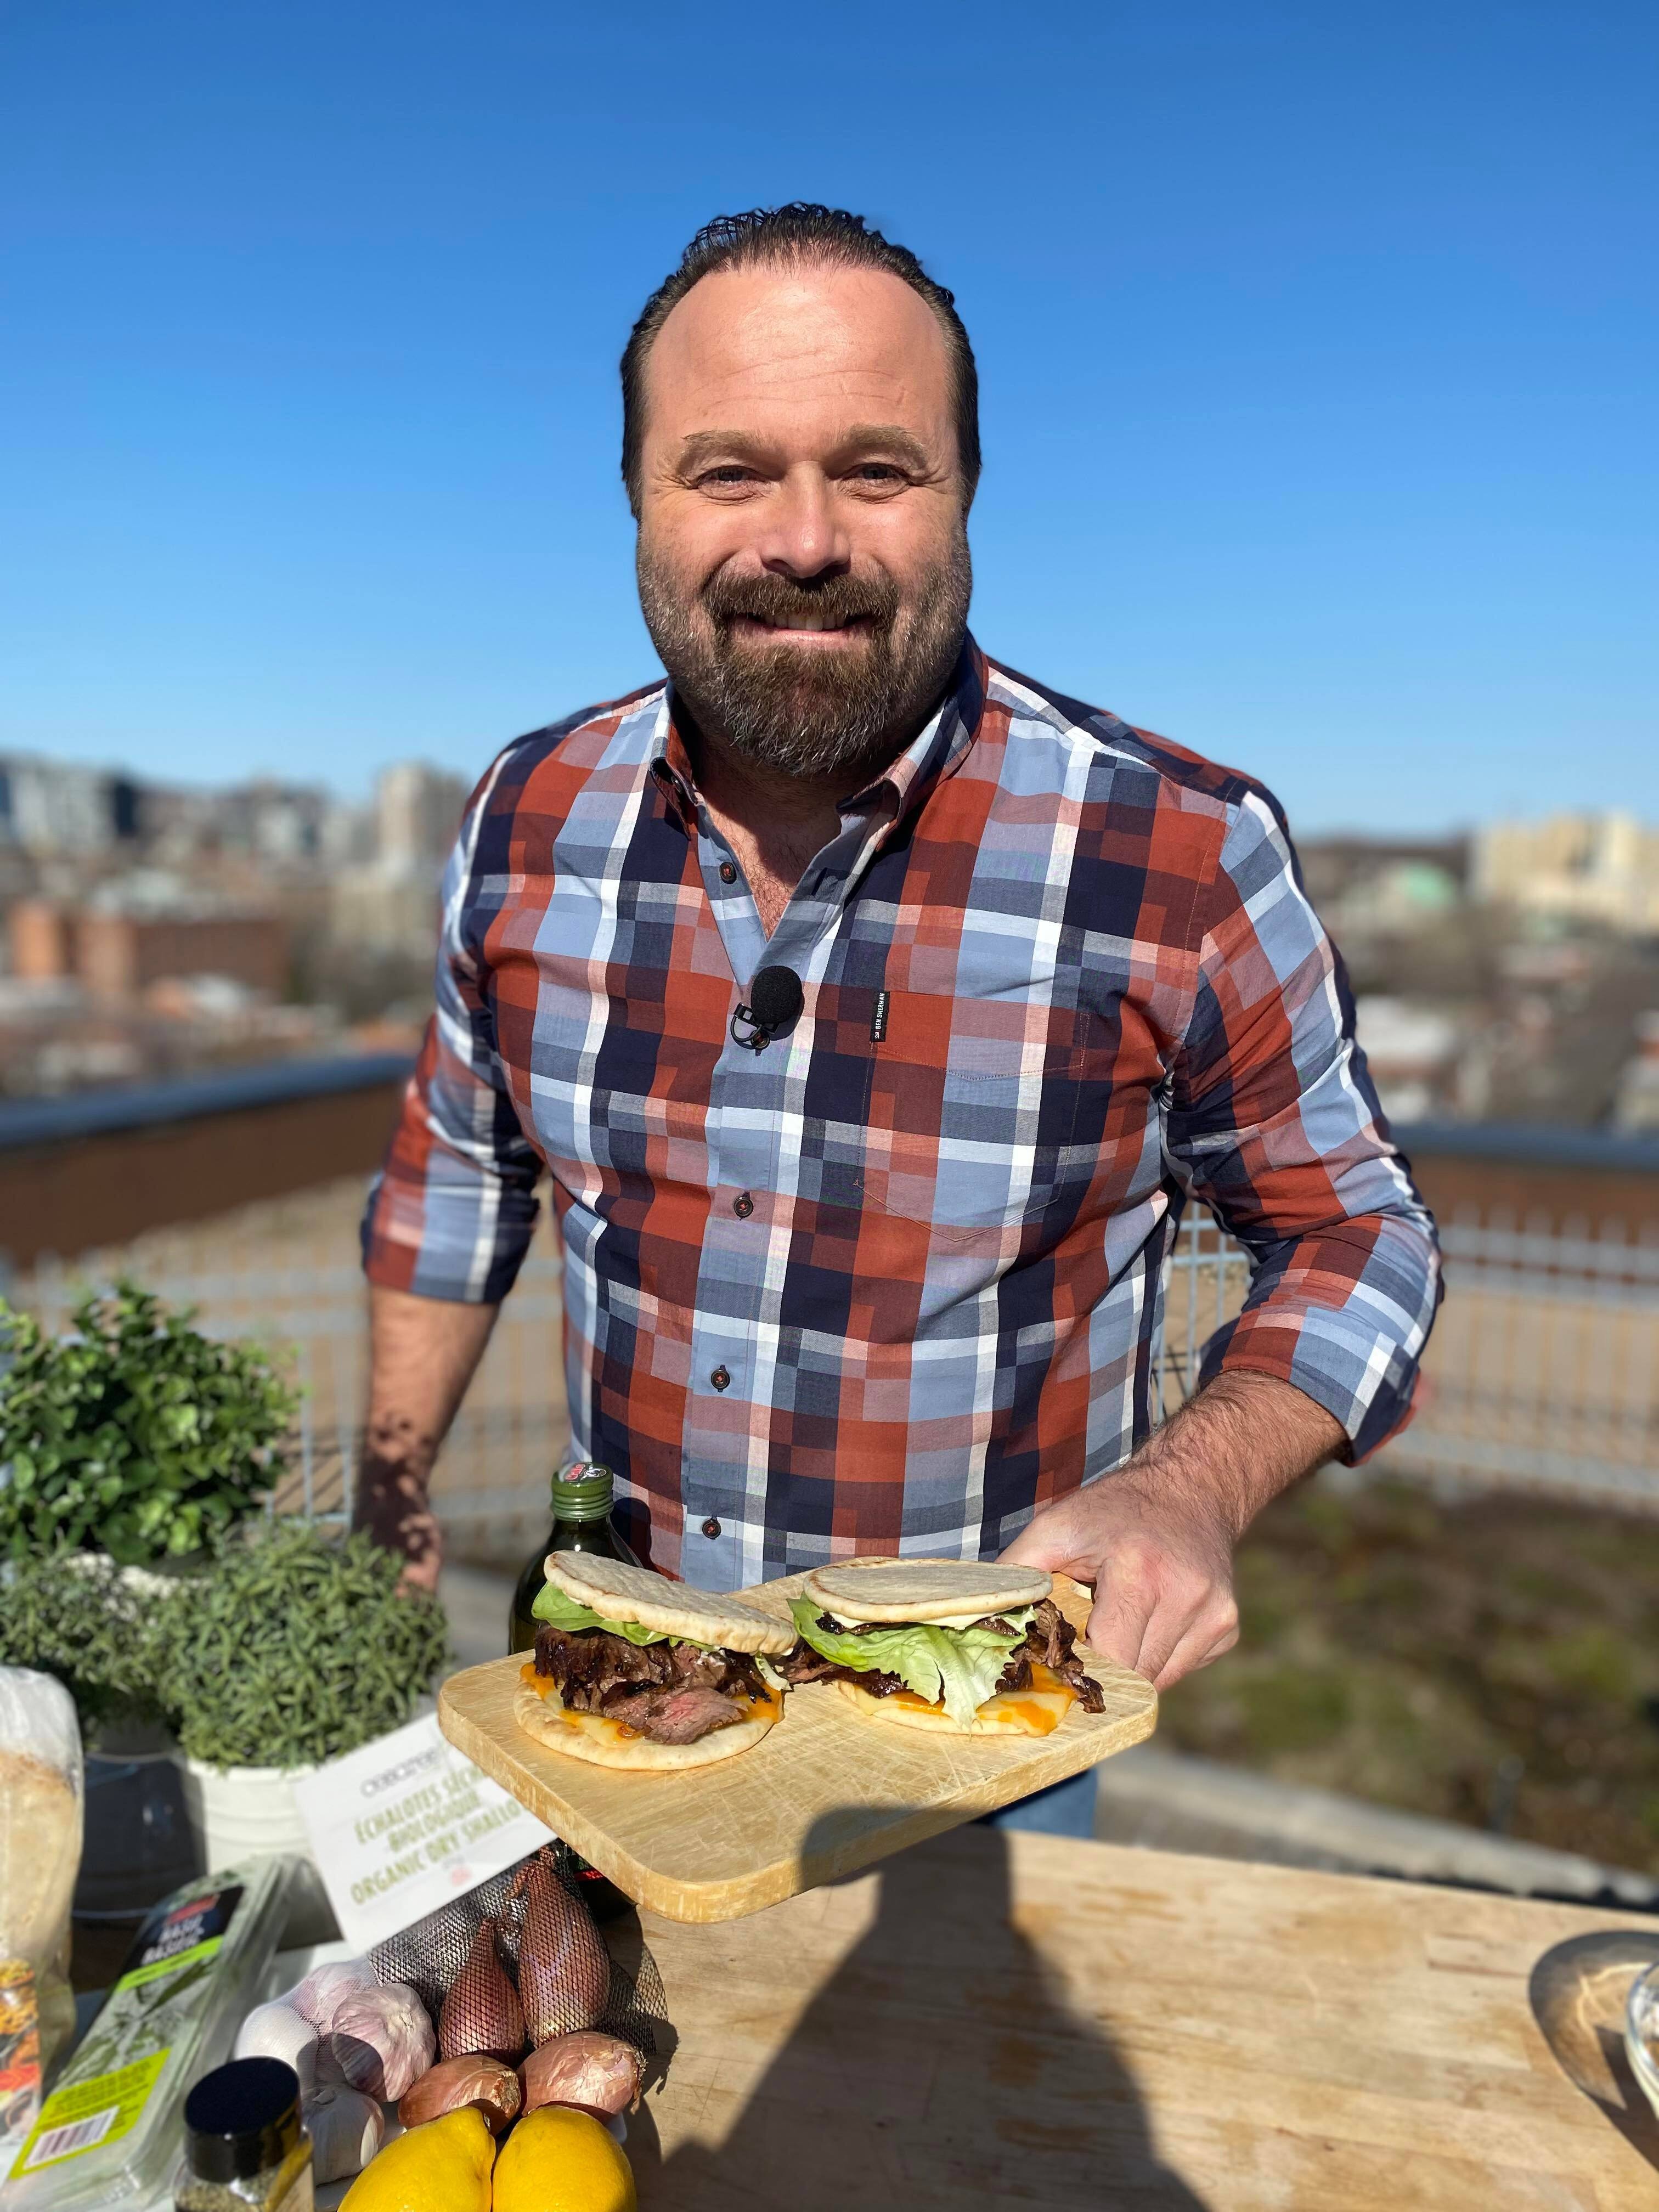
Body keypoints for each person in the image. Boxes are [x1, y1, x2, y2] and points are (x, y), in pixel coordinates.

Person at [356, 205, 1440, 1834]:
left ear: (966, 498)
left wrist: (1183, 1489)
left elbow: (1358, 1231)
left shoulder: (1176, 852)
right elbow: (456, 1176)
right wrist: (392, 1497)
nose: (803, 538)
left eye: (877, 469)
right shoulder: (526, 813)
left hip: (975, 1735)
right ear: (639, 502)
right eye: (728, 470)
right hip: (612, 1679)